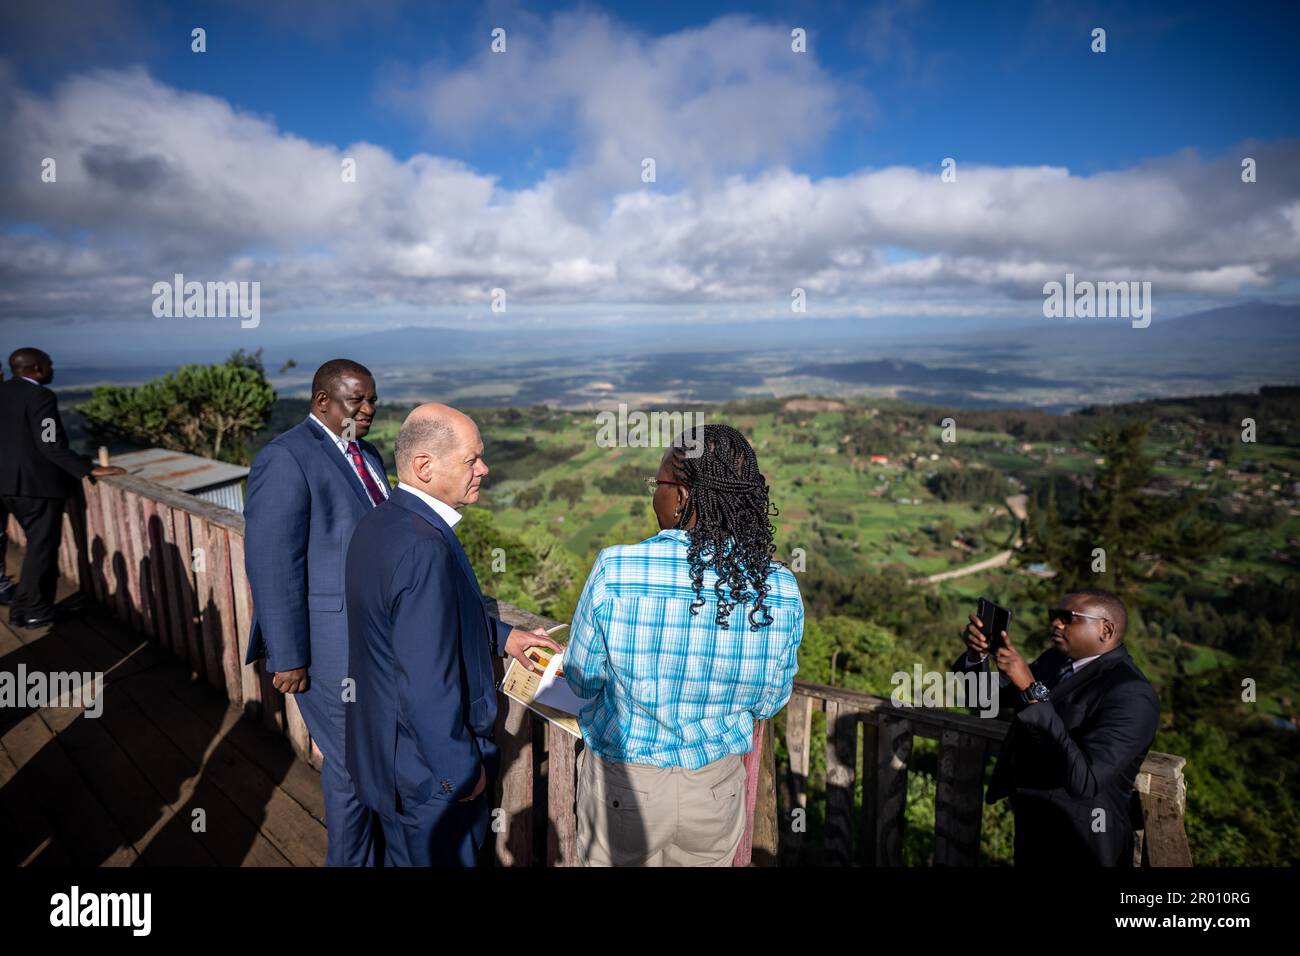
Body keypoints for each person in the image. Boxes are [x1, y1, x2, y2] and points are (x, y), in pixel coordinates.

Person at [563, 423, 804, 867]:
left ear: (682, 496)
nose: (655, 494)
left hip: (625, 785)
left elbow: (580, 678)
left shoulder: (616, 569)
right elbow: (769, 702)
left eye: (659, 484)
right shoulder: (780, 588)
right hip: (715, 791)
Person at [344, 403, 562, 866]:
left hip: (389, 754)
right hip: (429, 773)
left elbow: (418, 619)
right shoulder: (425, 546)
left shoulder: (381, 523)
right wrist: (461, 773)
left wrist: (503, 635)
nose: (484, 468)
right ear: (425, 466)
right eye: (472, 459)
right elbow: (426, 684)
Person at [243, 359, 392, 866]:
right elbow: (271, 561)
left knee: (359, 760)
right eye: (357, 399)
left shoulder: (367, 453)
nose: (368, 409)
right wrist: (288, 655)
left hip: (371, 640)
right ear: (322, 401)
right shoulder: (286, 458)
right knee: (353, 766)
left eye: (373, 399)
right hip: (325, 648)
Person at [954, 589, 1159, 866]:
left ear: (1106, 630)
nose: (1056, 624)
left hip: (1082, 840)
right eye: (1054, 616)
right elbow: (985, 702)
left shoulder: (1131, 693)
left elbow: (1086, 780)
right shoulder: (1055, 661)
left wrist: (1030, 688)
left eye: (1067, 618)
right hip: (1032, 823)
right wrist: (976, 657)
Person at [0, 348, 124, 628]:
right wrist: (87, 468)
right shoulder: (40, 396)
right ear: (37, 368)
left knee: (35, 548)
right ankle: (36, 611)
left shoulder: (3, 391)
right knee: (41, 548)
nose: (53, 369)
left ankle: (21, 609)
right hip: (35, 486)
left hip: (6, 485)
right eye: (49, 365)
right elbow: (49, 443)